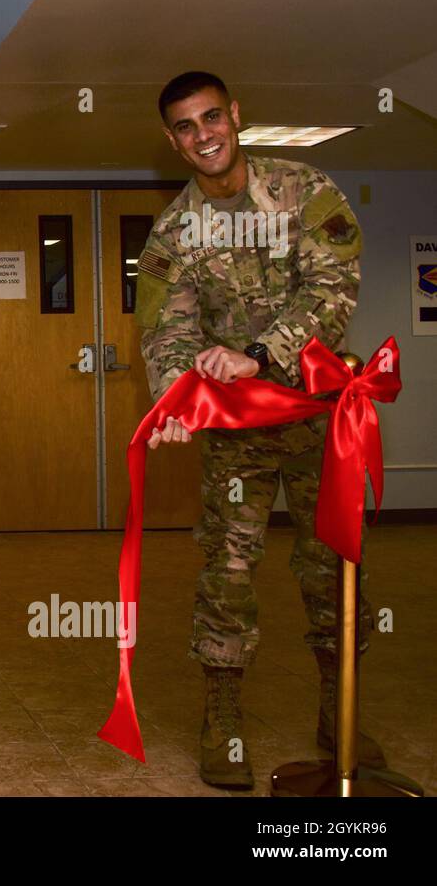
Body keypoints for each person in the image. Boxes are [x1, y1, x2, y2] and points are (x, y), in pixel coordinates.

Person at [135, 70, 382, 789]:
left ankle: (340, 713)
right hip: (236, 437)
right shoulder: (174, 233)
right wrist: (176, 402)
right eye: (185, 127)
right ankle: (223, 722)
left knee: (332, 569)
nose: (202, 135)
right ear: (172, 140)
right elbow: (165, 330)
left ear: (235, 115)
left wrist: (262, 353)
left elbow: (331, 289)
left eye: (212, 117)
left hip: (320, 425)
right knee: (228, 574)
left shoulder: (304, 190)